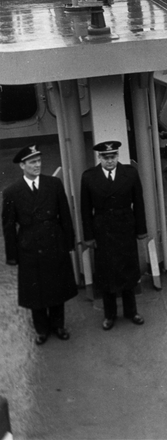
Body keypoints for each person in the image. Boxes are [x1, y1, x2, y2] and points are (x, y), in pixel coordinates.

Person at [3, 145, 77, 345]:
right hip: (29, 246)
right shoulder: (12, 192)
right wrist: (12, 256)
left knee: (56, 286)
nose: (37, 165)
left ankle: (58, 325)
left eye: (38, 161)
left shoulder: (53, 184)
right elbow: (9, 227)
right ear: (22, 165)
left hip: (54, 241)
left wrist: (68, 242)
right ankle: (42, 329)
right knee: (35, 290)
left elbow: (65, 216)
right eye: (32, 162)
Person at [81, 141, 147, 330]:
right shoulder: (88, 178)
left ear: (118, 156)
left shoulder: (130, 174)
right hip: (103, 230)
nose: (110, 161)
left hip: (125, 227)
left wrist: (141, 230)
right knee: (106, 273)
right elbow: (85, 210)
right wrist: (89, 236)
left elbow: (139, 203)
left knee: (128, 269)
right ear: (99, 158)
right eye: (106, 157)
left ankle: (131, 311)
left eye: (113, 156)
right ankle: (109, 315)